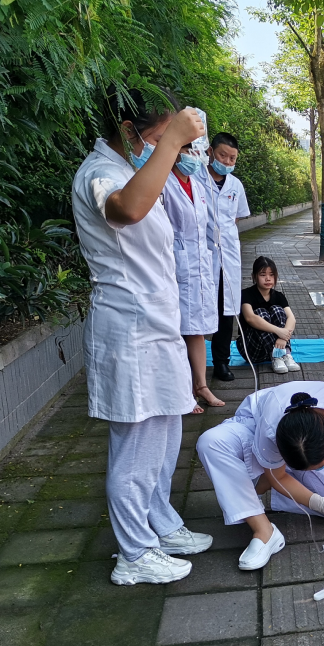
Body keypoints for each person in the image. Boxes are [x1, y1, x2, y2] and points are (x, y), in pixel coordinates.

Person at [71, 87, 214, 586]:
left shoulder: (135, 170)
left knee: (166, 435)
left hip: (158, 326)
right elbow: (126, 210)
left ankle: (161, 524)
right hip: (129, 331)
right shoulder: (99, 173)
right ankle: (134, 554)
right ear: (130, 132)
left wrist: (172, 147)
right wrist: (172, 142)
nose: (164, 148)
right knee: (136, 447)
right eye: (156, 137)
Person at [196, 383, 324, 570]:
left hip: (291, 449)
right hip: (255, 425)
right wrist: (318, 503)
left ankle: (252, 487)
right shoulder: (270, 426)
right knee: (211, 443)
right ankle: (264, 530)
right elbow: (279, 476)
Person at [162, 140, 225, 413]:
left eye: (195, 152)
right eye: (187, 151)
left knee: (197, 329)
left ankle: (201, 386)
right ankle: (182, 390)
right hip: (174, 268)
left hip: (199, 268)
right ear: (174, 152)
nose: (192, 157)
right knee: (177, 332)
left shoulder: (198, 187)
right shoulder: (163, 184)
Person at [196, 132, 250, 383]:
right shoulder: (195, 177)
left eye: (232, 158)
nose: (227, 162)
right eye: (222, 156)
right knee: (198, 306)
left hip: (226, 254)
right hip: (201, 253)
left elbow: (235, 218)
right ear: (210, 152)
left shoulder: (235, 185)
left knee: (226, 309)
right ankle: (192, 364)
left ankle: (221, 362)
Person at [237, 256, 300, 374]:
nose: (268, 279)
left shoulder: (279, 296)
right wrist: (278, 331)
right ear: (254, 276)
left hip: (280, 343)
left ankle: (285, 354)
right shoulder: (246, 294)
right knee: (261, 313)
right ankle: (276, 356)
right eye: (262, 275)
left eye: (271, 275)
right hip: (252, 348)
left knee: (277, 310)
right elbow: (250, 318)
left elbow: (292, 319)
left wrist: (282, 337)